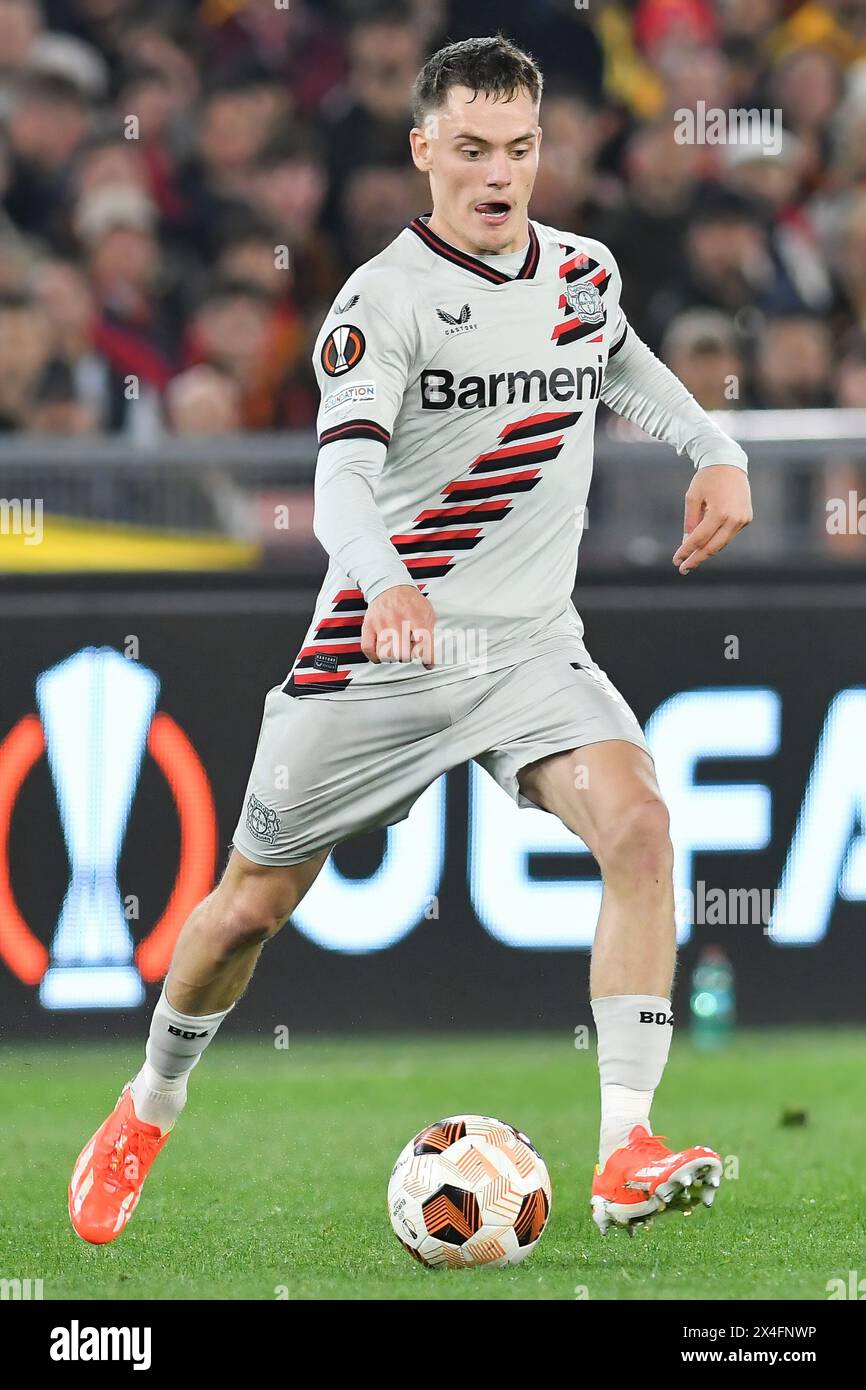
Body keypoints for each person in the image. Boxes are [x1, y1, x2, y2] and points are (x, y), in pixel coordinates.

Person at [69, 34, 752, 1247]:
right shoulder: (378, 301)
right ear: (422, 149)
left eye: (522, 150)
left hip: (531, 652)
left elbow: (626, 368)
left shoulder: (581, 272)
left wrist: (715, 448)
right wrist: (383, 582)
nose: (499, 175)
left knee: (641, 823)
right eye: (473, 150)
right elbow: (339, 484)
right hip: (377, 658)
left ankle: (621, 1150)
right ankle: (146, 1105)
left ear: (546, 148)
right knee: (243, 910)